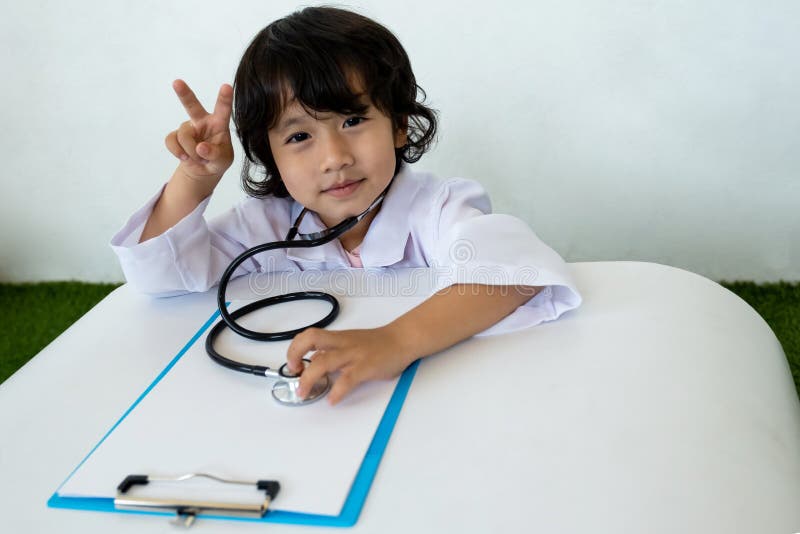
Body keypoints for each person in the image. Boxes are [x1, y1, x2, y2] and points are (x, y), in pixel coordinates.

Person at [111, 6, 581, 405]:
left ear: (398, 126)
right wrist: (195, 179)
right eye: (299, 136)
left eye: (353, 119)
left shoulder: (437, 208)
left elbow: (513, 272)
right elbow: (162, 277)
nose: (335, 158)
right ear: (268, 154)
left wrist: (396, 341)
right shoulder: (264, 226)